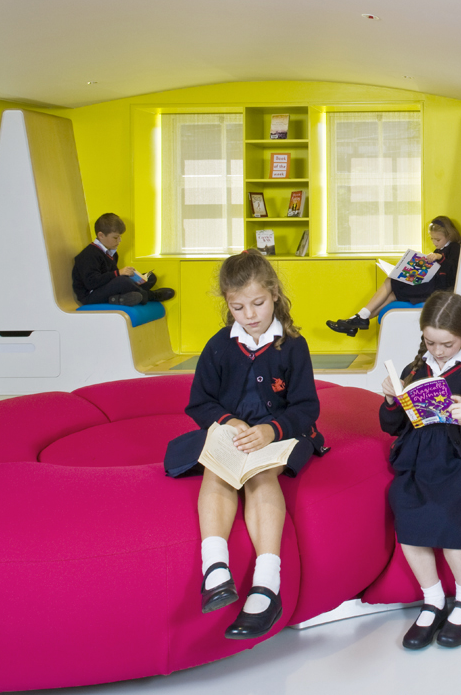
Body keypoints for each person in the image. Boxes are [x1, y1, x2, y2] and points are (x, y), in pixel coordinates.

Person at [164, 250, 327, 640]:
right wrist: (228, 423)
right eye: (238, 307)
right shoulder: (219, 346)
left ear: (273, 293)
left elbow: (307, 406)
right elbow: (199, 402)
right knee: (217, 472)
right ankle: (215, 570)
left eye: (258, 303)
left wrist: (272, 429)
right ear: (227, 304)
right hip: (231, 434)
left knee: (260, 475)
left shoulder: (293, 346)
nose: (250, 315)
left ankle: (267, 584)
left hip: (278, 436)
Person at [380, 291, 461, 649]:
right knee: (405, 507)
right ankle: (432, 599)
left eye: (447, 343)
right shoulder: (414, 370)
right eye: (430, 342)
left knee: (448, 511)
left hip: (458, 459)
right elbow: (392, 426)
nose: (439, 351)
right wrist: (390, 401)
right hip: (418, 456)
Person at [328, 216, 461, 336]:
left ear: (449, 235)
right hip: (430, 284)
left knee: (392, 280)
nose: (435, 242)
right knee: (392, 295)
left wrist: (439, 257)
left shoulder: (455, 248)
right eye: (432, 239)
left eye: (437, 239)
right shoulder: (439, 249)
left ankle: (358, 318)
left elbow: (453, 271)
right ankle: (357, 320)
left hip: (437, 289)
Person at [72, 213, 175, 307]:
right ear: (101, 235)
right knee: (122, 281)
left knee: (150, 277)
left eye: (120, 237)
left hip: (105, 289)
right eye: (115, 237)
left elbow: (111, 278)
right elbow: (92, 282)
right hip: (91, 295)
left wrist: (130, 275)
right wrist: (118, 273)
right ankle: (152, 296)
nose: (119, 241)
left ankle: (118, 299)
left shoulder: (112, 253)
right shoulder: (89, 254)